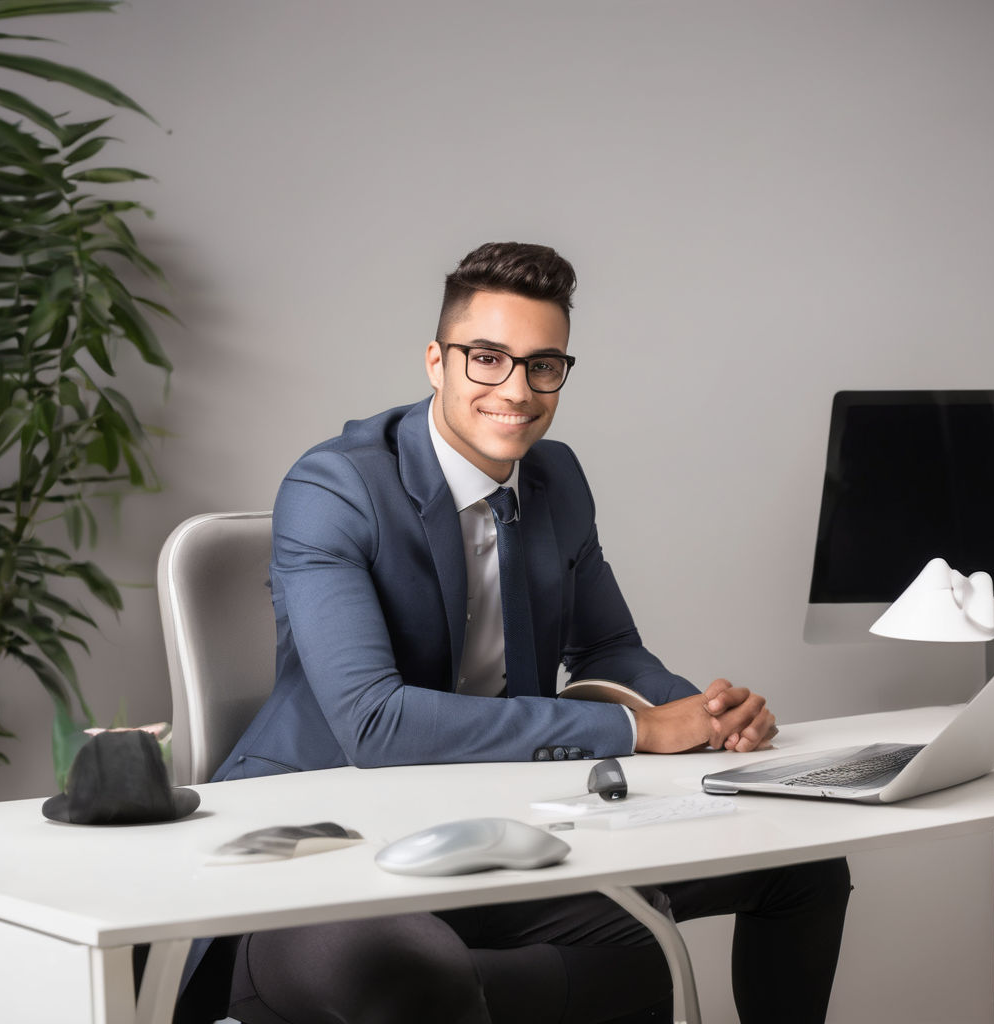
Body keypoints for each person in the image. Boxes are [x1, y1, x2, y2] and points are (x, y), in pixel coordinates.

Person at [182, 243, 850, 1024]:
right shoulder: (334, 486)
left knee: (794, 870)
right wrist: (635, 728)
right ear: (436, 362)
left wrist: (704, 713)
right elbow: (374, 722)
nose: (517, 390)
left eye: (543, 366)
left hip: (493, 831)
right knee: (417, 976)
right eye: (487, 359)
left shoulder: (556, 478)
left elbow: (606, 651)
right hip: (318, 846)